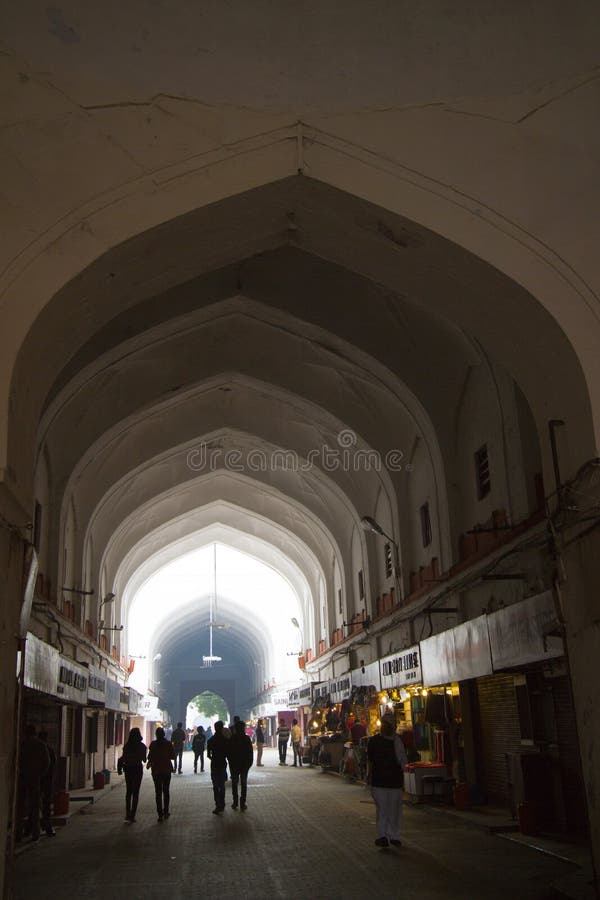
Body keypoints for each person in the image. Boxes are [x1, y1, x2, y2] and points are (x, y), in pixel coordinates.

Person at [366, 713, 408, 849]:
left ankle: (394, 836)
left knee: (393, 810)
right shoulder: (374, 741)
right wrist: (369, 776)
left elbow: (403, 762)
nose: (387, 727)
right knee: (384, 810)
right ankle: (383, 836)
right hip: (380, 782)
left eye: (389, 725)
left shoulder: (398, 742)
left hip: (394, 782)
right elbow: (370, 761)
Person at [17, 725, 50, 842]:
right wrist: (40, 774)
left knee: (19, 806)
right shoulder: (40, 745)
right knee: (35, 806)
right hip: (35, 778)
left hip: (22, 777)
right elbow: (47, 762)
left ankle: (18, 834)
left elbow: (17, 760)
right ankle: (35, 833)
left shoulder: (22, 744)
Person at [118, 727, 147, 823]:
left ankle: (127, 813)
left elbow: (123, 758)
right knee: (136, 793)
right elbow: (144, 760)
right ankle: (132, 815)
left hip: (128, 769)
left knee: (129, 791)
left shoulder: (127, 746)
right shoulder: (142, 746)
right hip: (137, 769)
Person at [147, 726, 176, 822]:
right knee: (166, 791)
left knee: (158, 792)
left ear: (156, 735)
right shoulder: (168, 744)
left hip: (156, 771)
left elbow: (150, 757)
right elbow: (173, 756)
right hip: (167, 770)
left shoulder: (153, 744)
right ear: (164, 734)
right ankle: (166, 811)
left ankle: (160, 814)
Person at [228, 720, 254, 810]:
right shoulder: (246, 739)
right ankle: (242, 803)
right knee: (243, 784)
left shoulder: (232, 738)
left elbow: (229, 753)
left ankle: (235, 802)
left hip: (234, 765)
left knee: (234, 784)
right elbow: (250, 753)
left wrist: (231, 763)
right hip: (244, 765)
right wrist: (249, 764)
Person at [206, 720, 229, 814]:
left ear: (215, 728)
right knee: (222, 785)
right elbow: (228, 753)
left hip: (214, 764)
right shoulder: (225, 740)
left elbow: (208, 755)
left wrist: (213, 758)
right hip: (222, 763)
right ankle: (222, 804)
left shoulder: (211, 740)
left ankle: (217, 805)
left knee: (215, 785)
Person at [37, 731, 57, 836]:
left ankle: (30, 828)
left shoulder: (28, 747)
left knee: (35, 804)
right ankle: (46, 826)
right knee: (45, 805)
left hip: (35, 780)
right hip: (45, 781)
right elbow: (51, 764)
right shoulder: (47, 749)